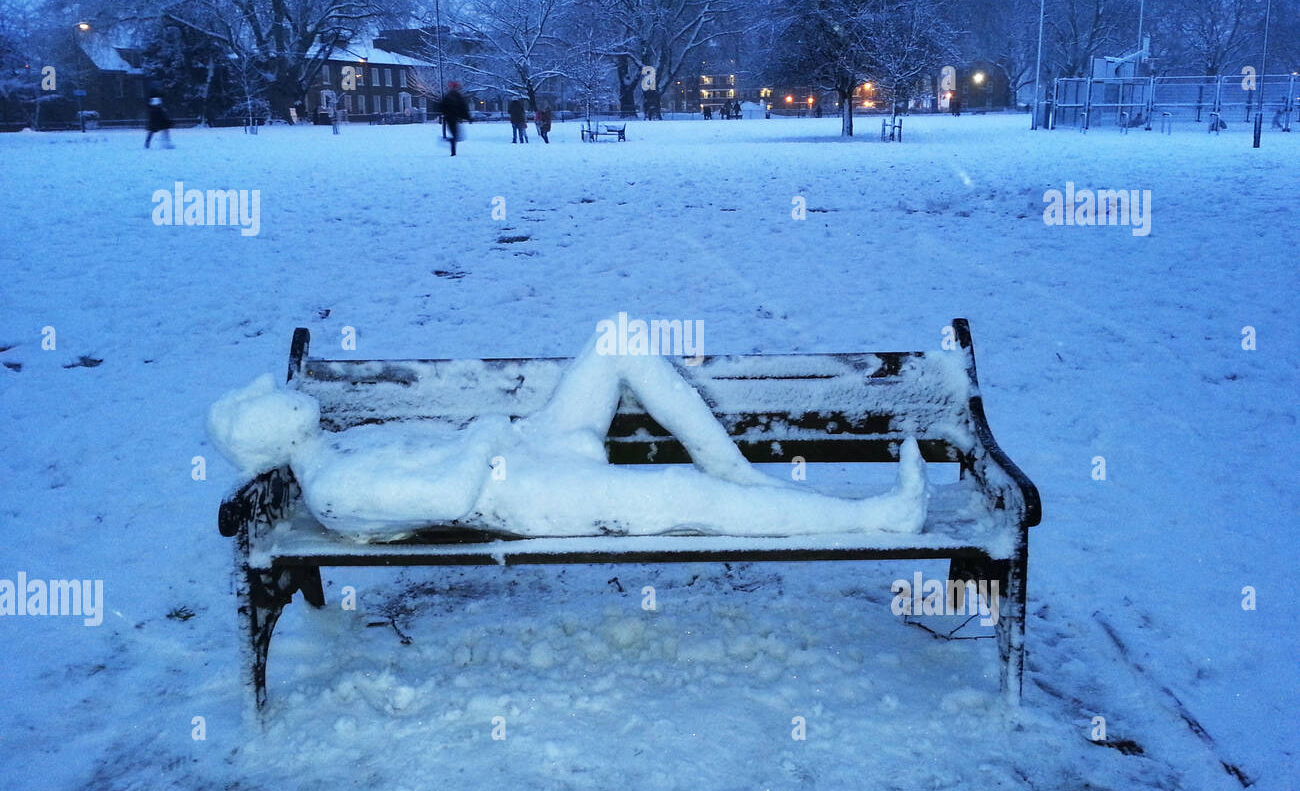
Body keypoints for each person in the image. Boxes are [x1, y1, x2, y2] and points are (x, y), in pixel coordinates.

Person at [207, 334, 929, 543]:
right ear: (263, 442)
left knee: (621, 336)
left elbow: (441, 444)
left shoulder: (339, 449)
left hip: (529, 446)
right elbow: (451, 494)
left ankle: (740, 471)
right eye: (266, 406)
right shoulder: (334, 486)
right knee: (681, 496)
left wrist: (492, 434)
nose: (283, 396)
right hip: (526, 492)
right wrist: (487, 430)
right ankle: (872, 516)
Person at [438, 82, 470, 155]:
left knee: (456, 136)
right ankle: (452, 151)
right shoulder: (457, 96)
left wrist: (444, 113)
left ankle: (452, 150)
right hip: (453, 118)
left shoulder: (448, 96)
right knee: (456, 136)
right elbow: (463, 107)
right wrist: (467, 117)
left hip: (450, 118)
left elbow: (441, 106)